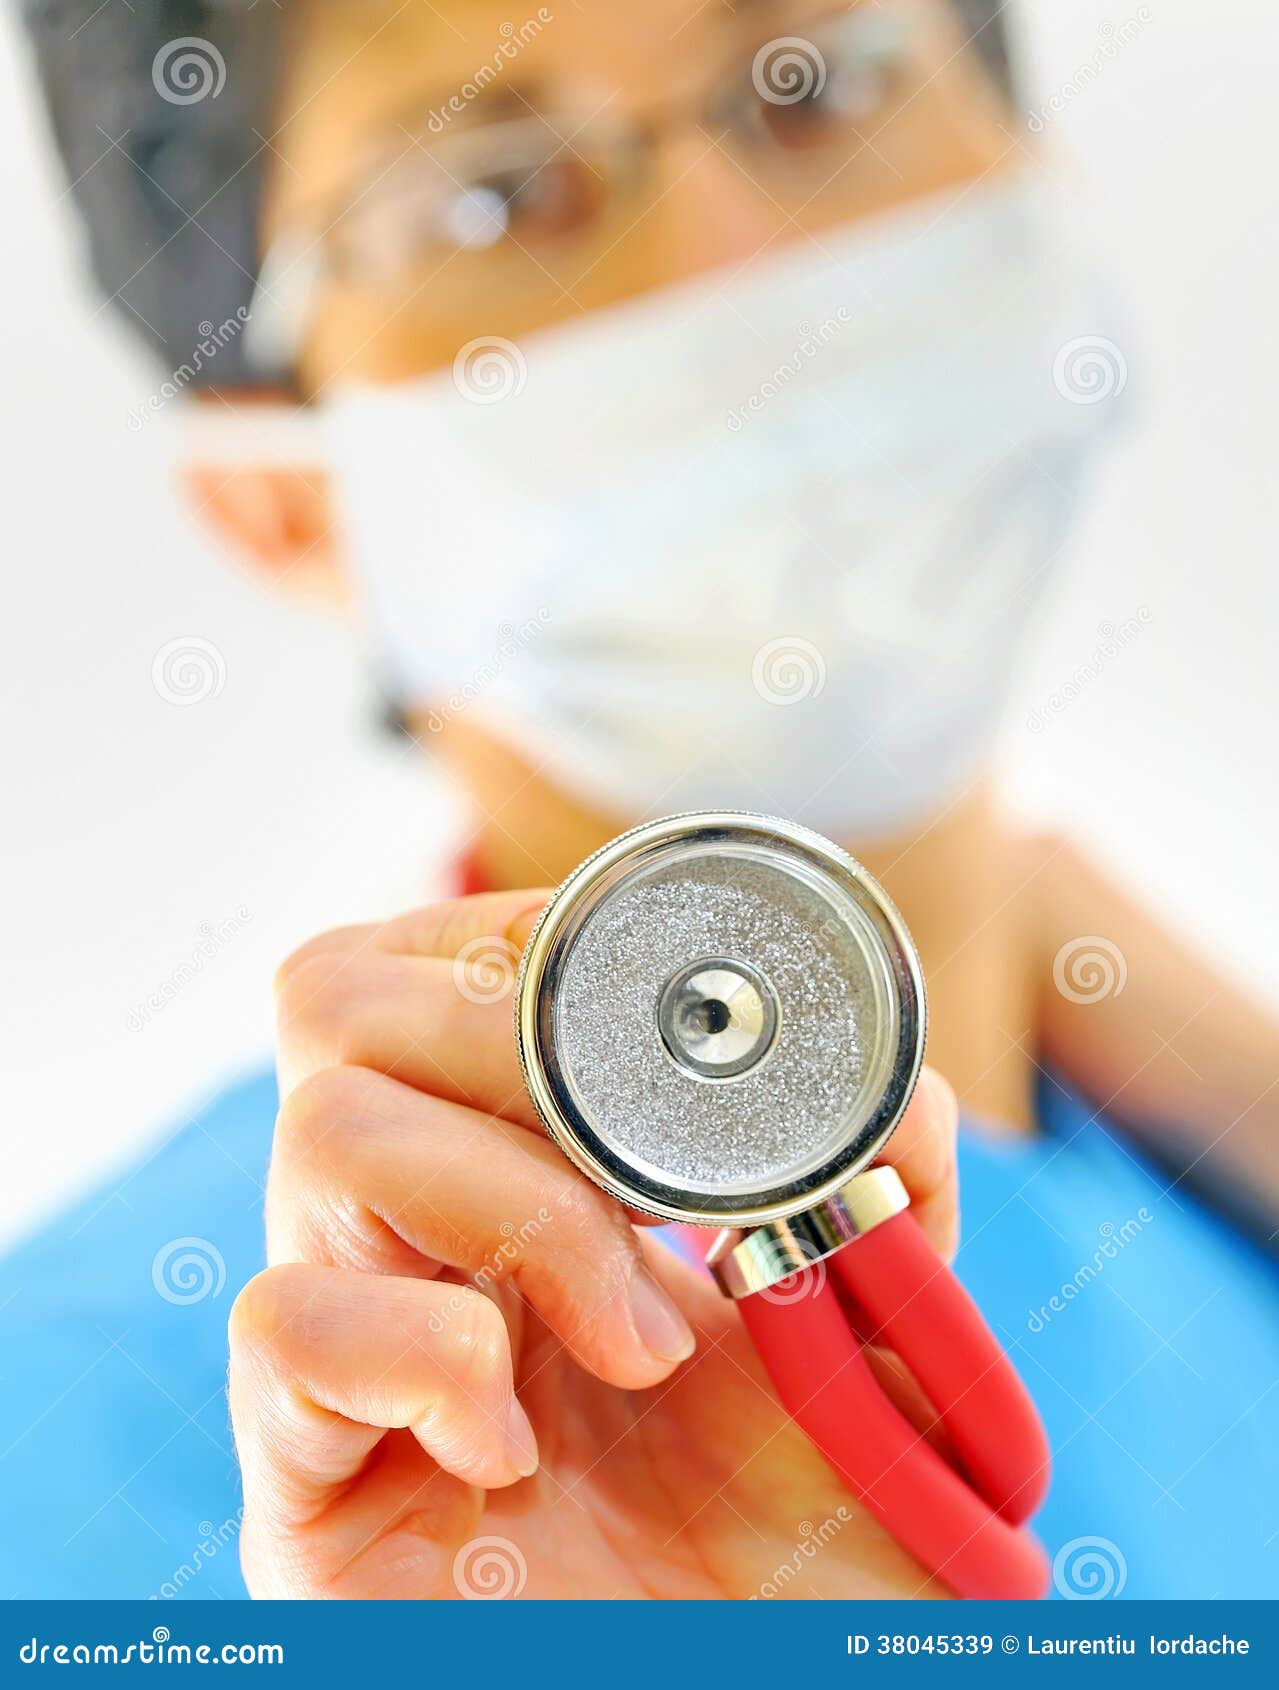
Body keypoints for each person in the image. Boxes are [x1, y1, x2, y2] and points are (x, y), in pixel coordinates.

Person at [3, 0, 1276, 1600]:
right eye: (492, 197)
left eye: (819, 83)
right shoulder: (70, 1471)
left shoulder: (1217, 1168)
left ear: (1042, 179)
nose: (739, 274)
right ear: (286, 505)